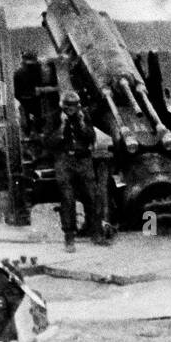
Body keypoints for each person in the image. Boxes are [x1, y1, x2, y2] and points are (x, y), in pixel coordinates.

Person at [48, 91, 111, 252]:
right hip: (64, 160)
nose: (71, 109)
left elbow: (90, 137)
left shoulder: (84, 116)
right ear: (62, 106)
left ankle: (96, 233)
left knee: (92, 195)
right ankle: (69, 237)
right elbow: (48, 142)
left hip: (83, 160)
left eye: (74, 106)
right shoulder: (54, 117)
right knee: (67, 198)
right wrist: (61, 128)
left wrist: (83, 124)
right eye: (68, 106)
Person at [13, 51, 45, 136]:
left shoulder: (18, 73)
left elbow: (16, 92)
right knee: (37, 117)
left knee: (28, 119)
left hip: (27, 99)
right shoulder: (39, 70)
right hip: (33, 99)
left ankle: (30, 132)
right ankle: (36, 131)